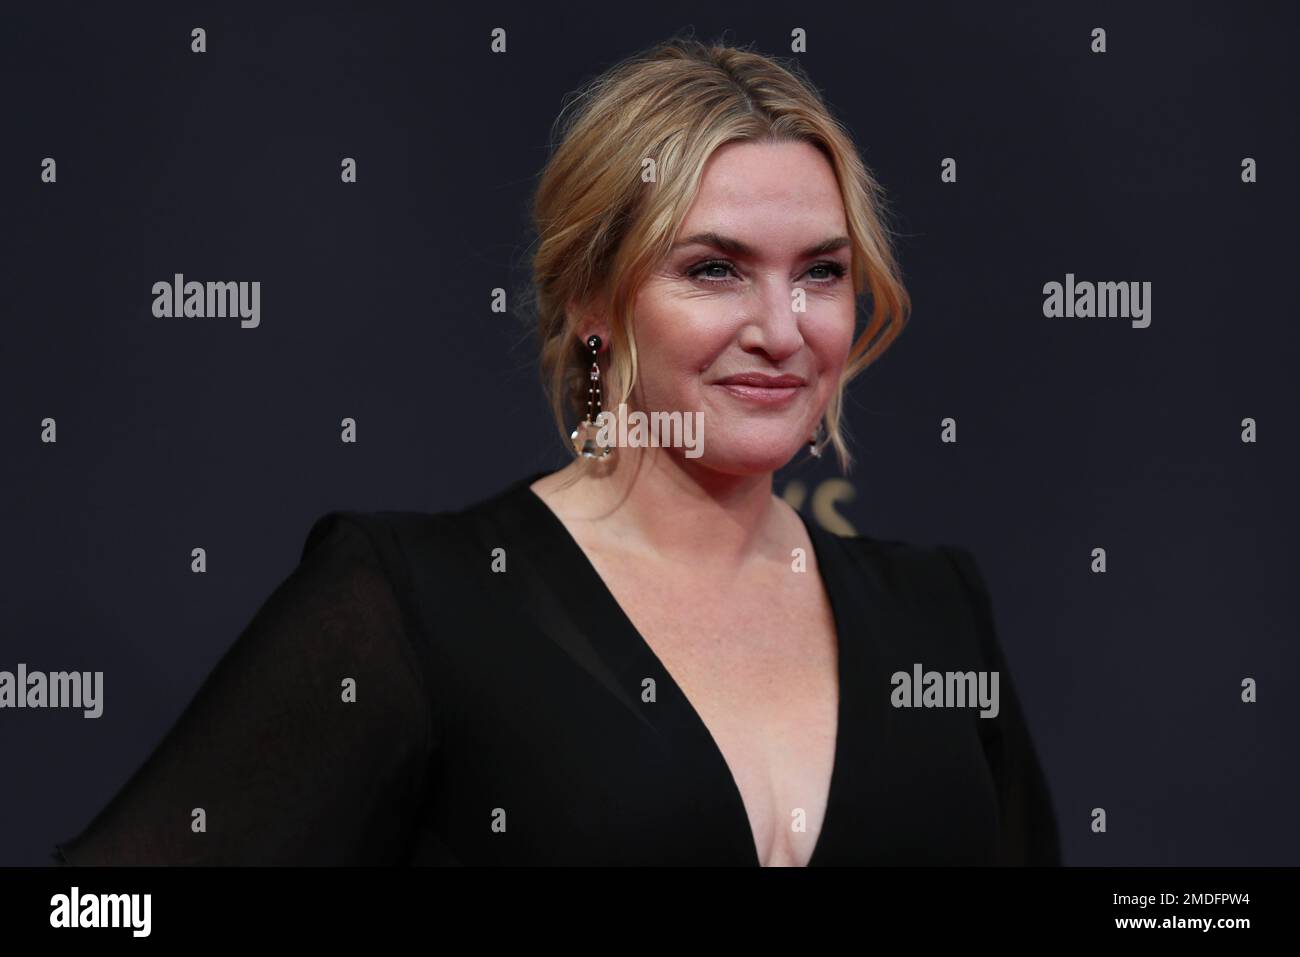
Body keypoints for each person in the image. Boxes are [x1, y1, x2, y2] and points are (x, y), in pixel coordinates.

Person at [53, 35, 1061, 867]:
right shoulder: (423, 603)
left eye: (822, 273)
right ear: (593, 301)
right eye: (714, 269)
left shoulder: (934, 613)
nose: (781, 326)